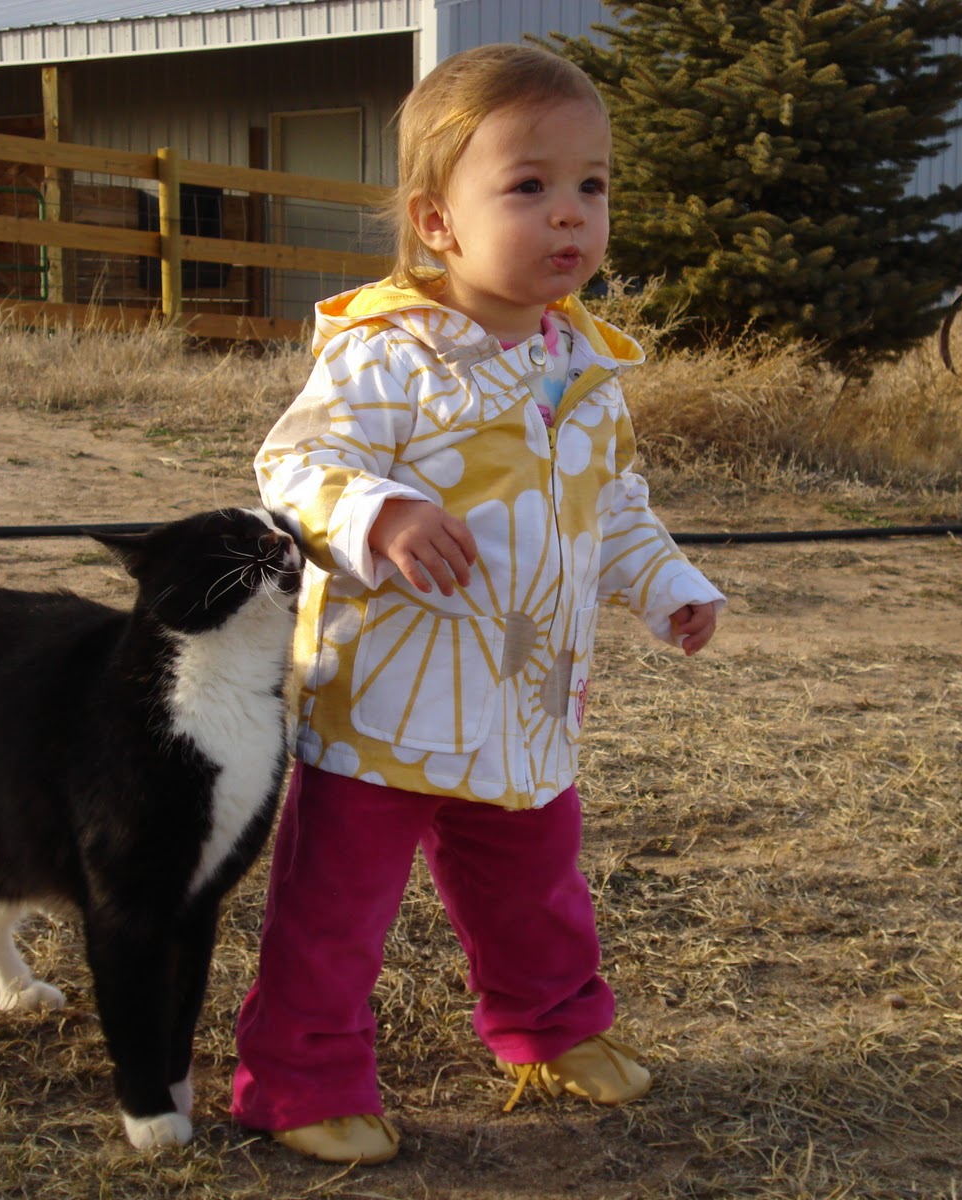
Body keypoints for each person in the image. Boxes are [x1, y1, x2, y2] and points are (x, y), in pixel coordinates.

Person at [231, 41, 725, 1166]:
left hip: (528, 700)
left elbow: (618, 510)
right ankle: (299, 1076)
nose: (571, 215)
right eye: (529, 185)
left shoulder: (583, 368)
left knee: (537, 889)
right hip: (388, 705)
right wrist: (383, 515)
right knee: (336, 911)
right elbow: (297, 467)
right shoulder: (388, 353)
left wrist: (670, 585)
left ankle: (548, 1027)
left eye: (590, 186)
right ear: (436, 220)